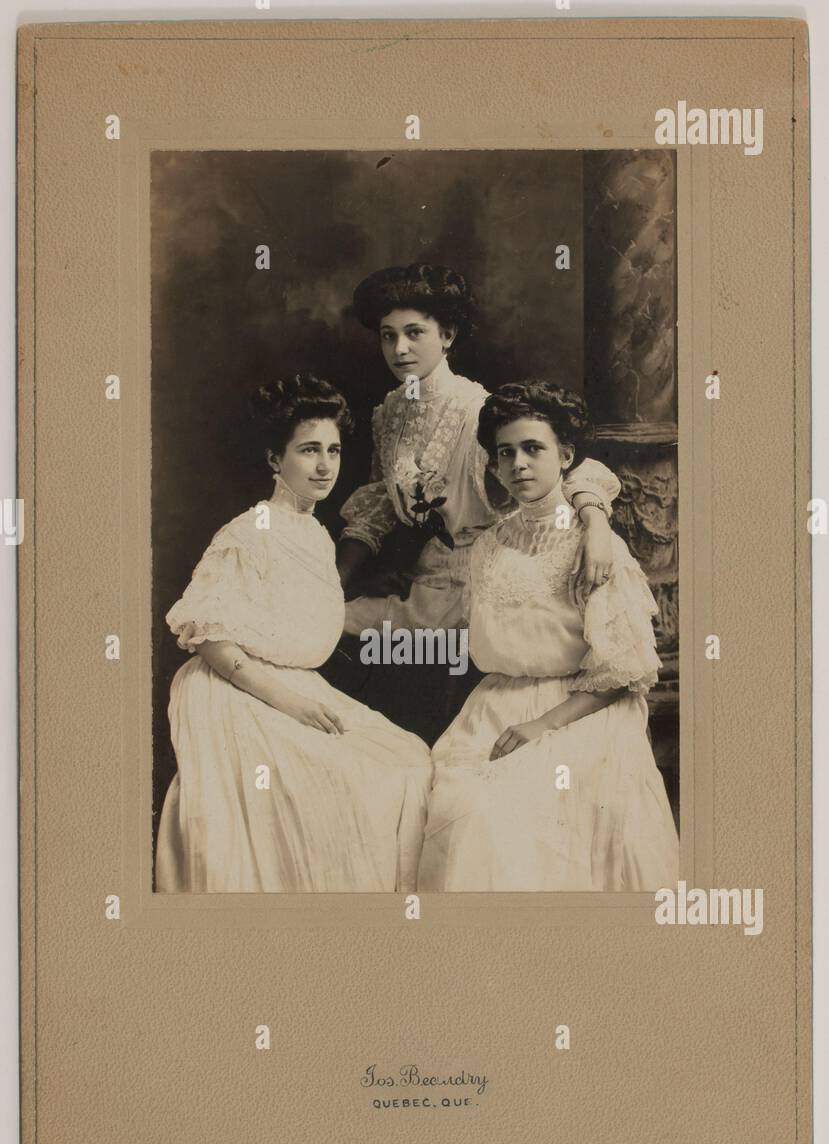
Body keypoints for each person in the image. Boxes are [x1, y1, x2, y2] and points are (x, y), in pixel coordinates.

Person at [155, 375, 432, 893]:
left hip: (293, 681)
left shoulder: (314, 531)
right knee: (362, 778)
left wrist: (362, 588)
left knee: (411, 759)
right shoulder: (247, 531)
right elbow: (212, 639)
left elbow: (284, 605)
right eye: (308, 450)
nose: (325, 465)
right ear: (274, 461)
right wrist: (292, 704)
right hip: (237, 689)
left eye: (333, 449)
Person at [331, 264, 622, 744]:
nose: (399, 349)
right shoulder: (389, 414)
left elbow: (571, 468)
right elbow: (379, 504)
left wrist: (595, 527)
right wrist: (339, 581)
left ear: (446, 336)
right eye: (387, 336)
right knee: (324, 623)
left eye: (414, 333)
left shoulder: (478, 409)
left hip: (493, 580)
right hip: (429, 579)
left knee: (416, 679)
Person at [416, 381, 680, 892]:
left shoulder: (594, 545)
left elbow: (624, 671)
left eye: (534, 449)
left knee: (495, 818)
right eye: (505, 453)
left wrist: (542, 726)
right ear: (493, 465)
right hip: (493, 704)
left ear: (566, 456)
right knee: (441, 803)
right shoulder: (489, 544)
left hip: (578, 710)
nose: (518, 464)